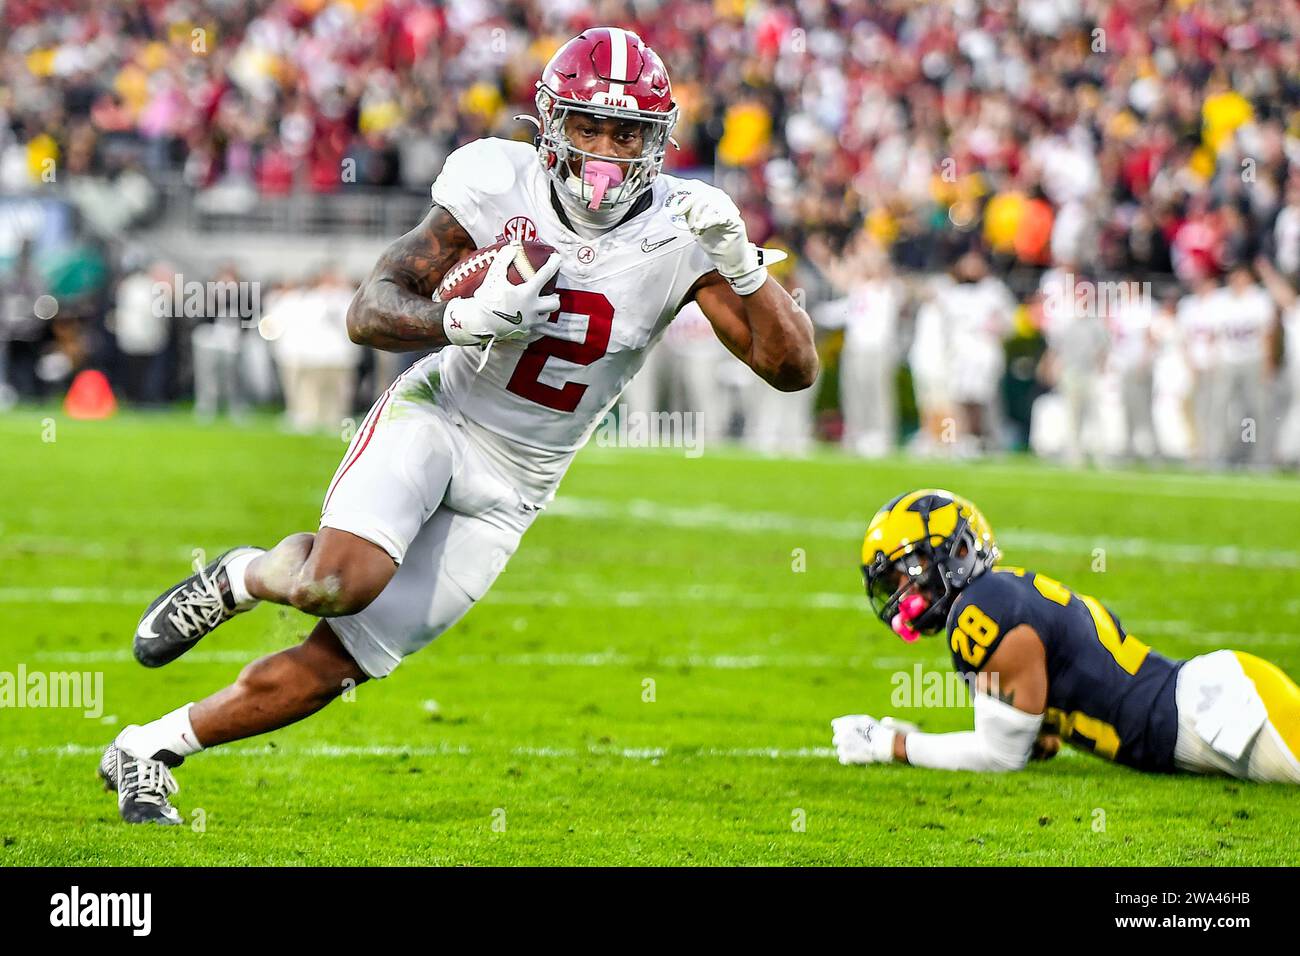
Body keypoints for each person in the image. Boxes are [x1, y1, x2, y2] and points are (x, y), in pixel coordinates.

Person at [99, 28, 818, 824]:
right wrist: (458, 318)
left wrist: (743, 265)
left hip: (518, 485)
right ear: (551, 123)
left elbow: (792, 370)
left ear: (658, 138)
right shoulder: (496, 180)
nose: (607, 149)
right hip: (443, 416)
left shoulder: (688, 225)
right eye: (588, 125)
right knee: (336, 584)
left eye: (628, 131)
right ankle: (241, 577)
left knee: (339, 664)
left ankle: (147, 748)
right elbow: (368, 310)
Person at [832, 490, 1300, 782]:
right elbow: (1041, 742)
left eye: (905, 576)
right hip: (1204, 710)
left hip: (1218, 714)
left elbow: (999, 756)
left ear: (954, 553)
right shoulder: (998, 595)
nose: (901, 595)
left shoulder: (981, 612)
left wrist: (887, 743)